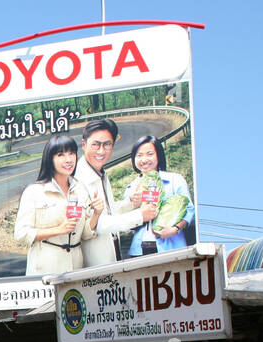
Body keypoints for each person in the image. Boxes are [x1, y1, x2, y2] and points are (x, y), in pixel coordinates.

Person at [73, 118, 158, 265]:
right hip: (94, 260)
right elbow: (98, 224)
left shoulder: (100, 172)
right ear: (84, 145)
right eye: (95, 144)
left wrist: (129, 204)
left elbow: (107, 211)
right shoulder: (78, 180)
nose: (101, 151)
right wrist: (139, 215)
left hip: (111, 252)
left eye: (107, 144)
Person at [14, 134, 99, 275]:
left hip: (76, 266)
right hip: (45, 267)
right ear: (50, 159)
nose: (68, 159)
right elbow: (21, 234)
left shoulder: (80, 189)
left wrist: (96, 213)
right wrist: (59, 229)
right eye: (61, 155)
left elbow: (85, 234)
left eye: (72, 153)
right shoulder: (34, 191)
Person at [121, 135, 194, 256]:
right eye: (139, 156)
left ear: (158, 155)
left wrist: (174, 229)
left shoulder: (175, 180)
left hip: (172, 247)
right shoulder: (131, 188)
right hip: (139, 250)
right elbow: (126, 222)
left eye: (149, 154)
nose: (144, 160)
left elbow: (190, 210)